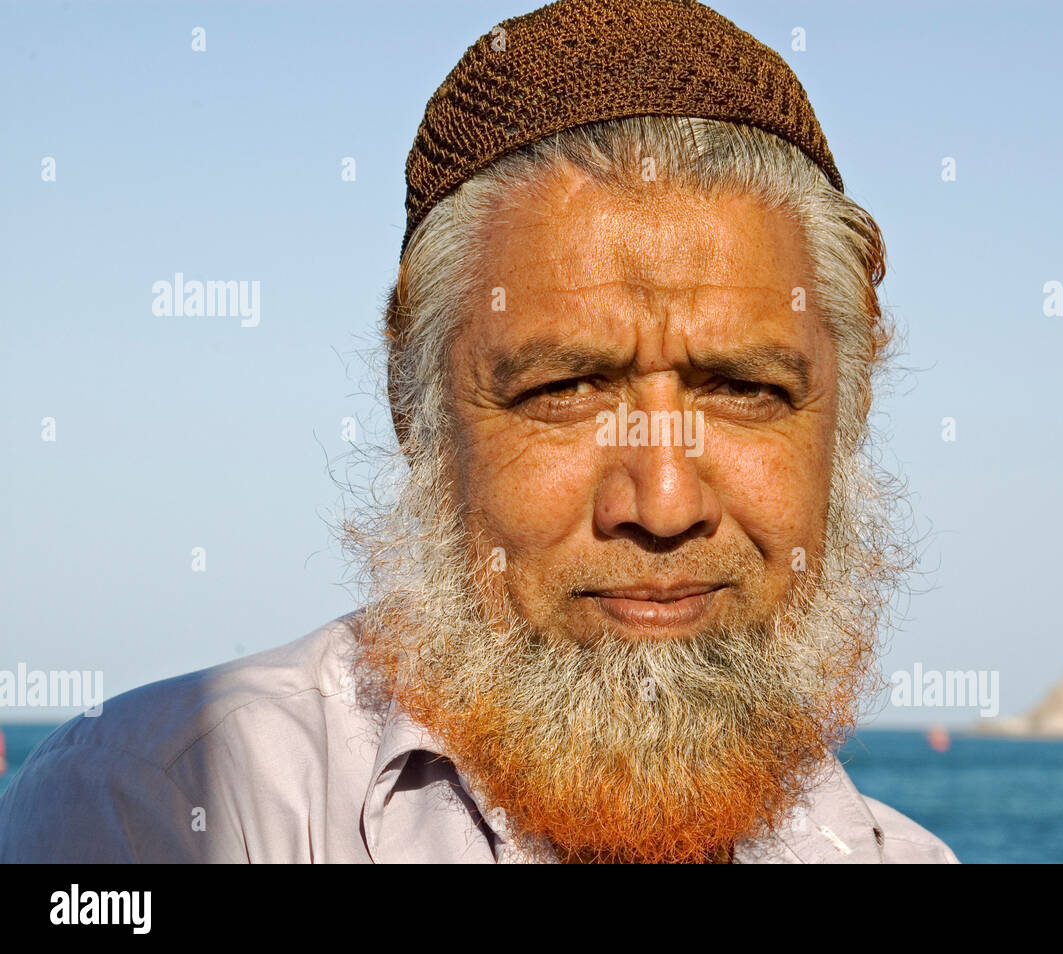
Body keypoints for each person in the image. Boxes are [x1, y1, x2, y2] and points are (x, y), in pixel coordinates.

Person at [0, 0, 958, 864]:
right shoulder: (157, 812)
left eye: (744, 388)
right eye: (567, 388)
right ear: (413, 404)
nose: (666, 504)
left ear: (852, 407)